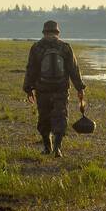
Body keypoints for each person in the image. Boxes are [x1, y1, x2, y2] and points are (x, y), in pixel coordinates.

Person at [23, 20, 86, 157]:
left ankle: (47, 147)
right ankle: (57, 149)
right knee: (60, 117)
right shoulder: (65, 47)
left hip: (42, 90)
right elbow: (74, 69)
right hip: (61, 90)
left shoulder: (37, 47)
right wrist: (80, 88)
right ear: (57, 32)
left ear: (44, 32)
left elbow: (31, 69)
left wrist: (28, 89)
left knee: (44, 117)